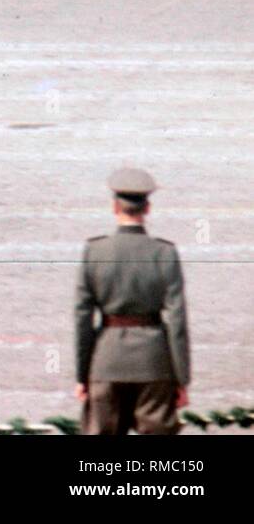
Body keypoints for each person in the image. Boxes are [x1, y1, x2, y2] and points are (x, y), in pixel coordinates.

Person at [76, 168, 190, 435]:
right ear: (147, 208)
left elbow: (81, 318)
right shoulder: (164, 252)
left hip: (106, 360)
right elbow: (177, 321)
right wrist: (182, 379)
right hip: (154, 362)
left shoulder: (95, 251)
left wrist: (82, 375)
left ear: (114, 206)